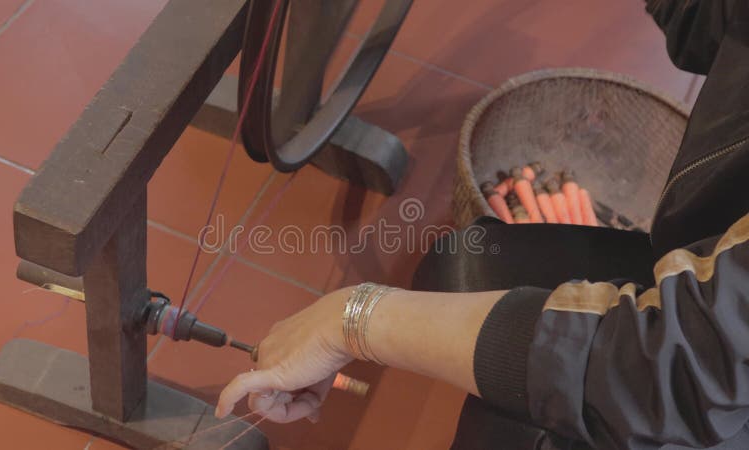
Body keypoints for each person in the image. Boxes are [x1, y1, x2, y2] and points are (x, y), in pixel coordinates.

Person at [216, 1, 749, 448]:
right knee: (466, 265)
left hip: (708, 384)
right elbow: (708, 29)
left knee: (511, 422)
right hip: (711, 305)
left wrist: (353, 319)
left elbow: (671, 369)